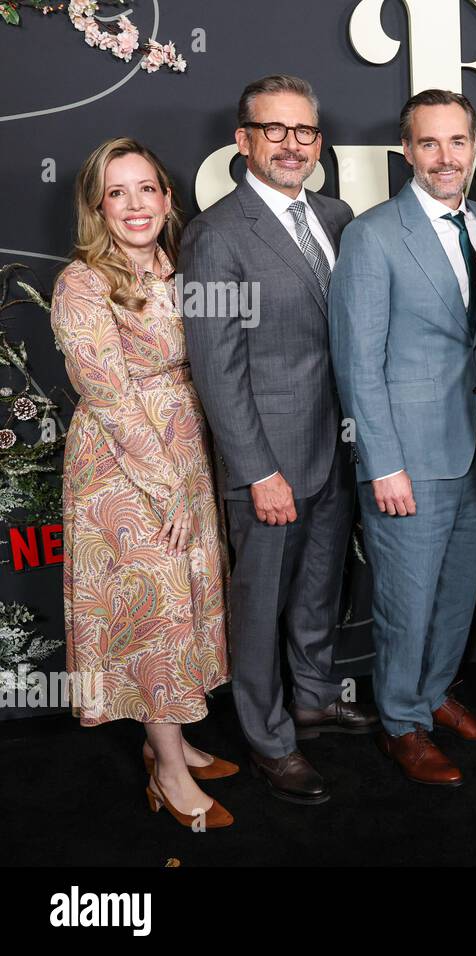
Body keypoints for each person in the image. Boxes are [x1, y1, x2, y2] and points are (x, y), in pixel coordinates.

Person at [181, 75, 376, 805]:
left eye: (305, 132)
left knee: (322, 588)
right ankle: (268, 737)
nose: (292, 144)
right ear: (243, 141)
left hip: (335, 449)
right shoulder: (215, 234)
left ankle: (317, 697)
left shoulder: (336, 214)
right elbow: (215, 367)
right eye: (275, 130)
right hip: (268, 462)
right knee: (261, 605)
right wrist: (257, 470)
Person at [51, 137, 234, 829]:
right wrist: (166, 491)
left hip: (185, 452)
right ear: (98, 204)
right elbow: (110, 395)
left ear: (165, 196)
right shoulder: (82, 282)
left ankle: (176, 739)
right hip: (125, 472)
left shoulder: (172, 263)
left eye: (147, 189)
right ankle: (165, 770)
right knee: (154, 614)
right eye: (118, 192)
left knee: (182, 602)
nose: (136, 205)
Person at [329, 89, 476, 787]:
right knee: (406, 599)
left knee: (458, 592)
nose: (445, 157)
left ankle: (435, 696)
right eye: (429, 144)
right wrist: (382, 465)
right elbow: (357, 363)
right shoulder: (372, 236)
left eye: (457, 142)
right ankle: (402, 723)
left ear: (472, 148)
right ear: (407, 152)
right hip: (407, 458)